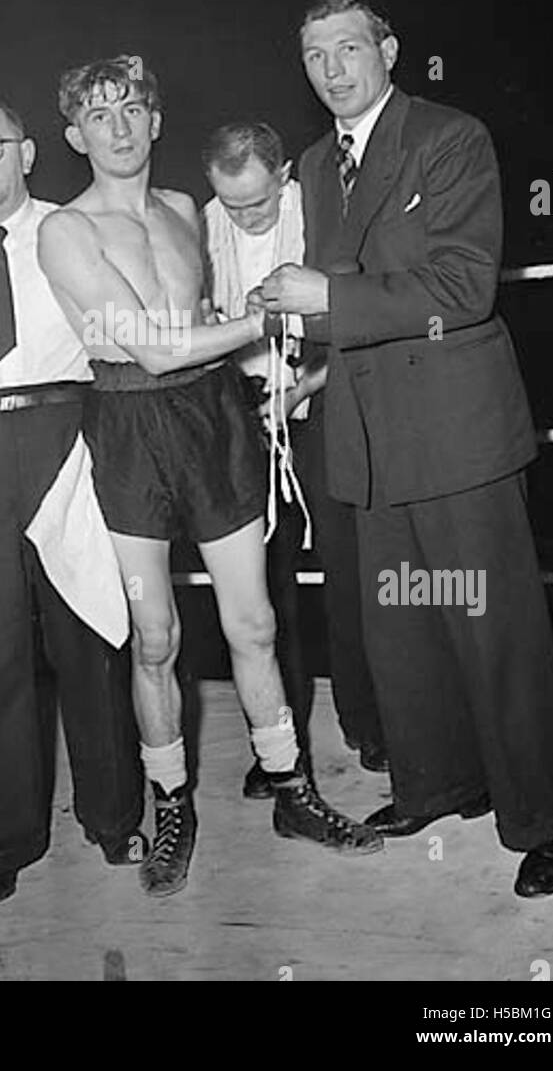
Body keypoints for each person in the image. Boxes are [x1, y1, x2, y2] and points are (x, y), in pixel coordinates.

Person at [256, 0, 553, 898]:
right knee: (400, 631)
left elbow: (461, 286)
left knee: (497, 631)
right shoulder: (318, 167)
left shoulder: (450, 138)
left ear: (388, 50)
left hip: (456, 431)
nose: (332, 68)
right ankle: (439, 784)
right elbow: (346, 298)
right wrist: (296, 363)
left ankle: (548, 815)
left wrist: (322, 299)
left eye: (348, 47)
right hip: (365, 434)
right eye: (315, 54)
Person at [38, 54, 382, 900]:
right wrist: (265, 315)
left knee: (256, 621)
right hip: (126, 424)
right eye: (98, 114)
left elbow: (212, 309)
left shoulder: (186, 208)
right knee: (154, 638)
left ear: (155, 122)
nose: (117, 127)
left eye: (131, 110)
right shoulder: (64, 230)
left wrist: (276, 339)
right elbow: (151, 346)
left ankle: (291, 789)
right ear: (74, 134)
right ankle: (170, 805)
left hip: (214, 418)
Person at [0, 99, 146, 908]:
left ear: (29, 153)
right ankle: (6, 840)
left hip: (66, 437)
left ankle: (115, 818)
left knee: (91, 635)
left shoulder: (73, 231)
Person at [202, 121, 386, 790]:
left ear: (283, 178)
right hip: (242, 416)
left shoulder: (323, 215)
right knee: (260, 590)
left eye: (257, 202)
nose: (245, 217)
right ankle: (276, 750)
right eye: (230, 204)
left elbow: (361, 327)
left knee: (349, 572)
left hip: (321, 408)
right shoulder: (198, 228)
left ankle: (369, 728)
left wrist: (299, 391)